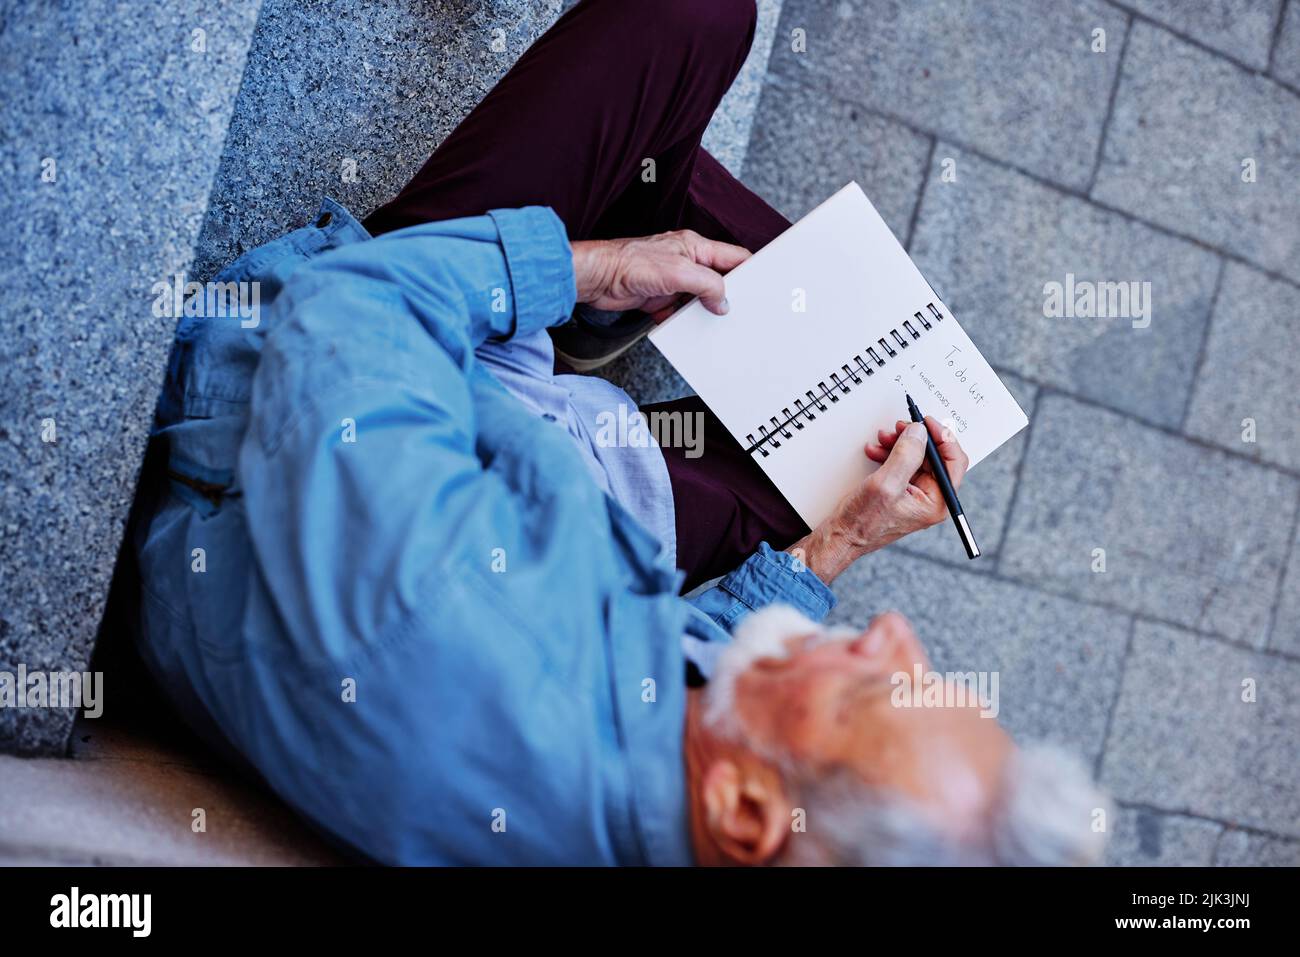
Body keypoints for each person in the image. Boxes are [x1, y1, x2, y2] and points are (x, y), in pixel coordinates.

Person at [127, 0, 1108, 864]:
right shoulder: (686, 804)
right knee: (856, 417)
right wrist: (840, 542)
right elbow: (685, 687)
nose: (893, 637)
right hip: (505, 472)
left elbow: (348, 306)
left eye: (870, 693)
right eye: (925, 676)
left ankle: (613, 261)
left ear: (748, 812)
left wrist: (584, 269)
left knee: (694, 17)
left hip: (328, 379)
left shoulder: (436, 616)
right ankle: (630, 249)